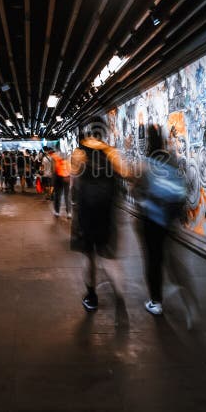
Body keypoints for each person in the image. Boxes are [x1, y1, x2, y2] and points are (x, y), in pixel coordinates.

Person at [133, 125, 200, 328]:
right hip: (170, 220)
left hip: (152, 220)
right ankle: (189, 301)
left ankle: (156, 301)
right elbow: (182, 189)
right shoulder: (172, 159)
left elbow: (138, 192)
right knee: (174, 261)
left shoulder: (145, 164)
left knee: (153, 261)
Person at [70, 117, 125, 311]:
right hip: (107, 213)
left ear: (89, 131)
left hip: (86, 212)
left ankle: (91, 297)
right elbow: (123, 178)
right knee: (109, 257)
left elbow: (74, 183)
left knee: (89, 257)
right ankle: (119, 294)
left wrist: (73, 205)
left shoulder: (79, 153)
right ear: (104, 131)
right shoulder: (112, 152)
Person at [52, 148, 71, 217]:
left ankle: (57, 212)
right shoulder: (68, 158)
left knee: (58, 195)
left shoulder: (55, 157)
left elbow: (54, 169)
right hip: (67, 177)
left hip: (58, 178)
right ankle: (69, 212)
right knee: (67, 195)